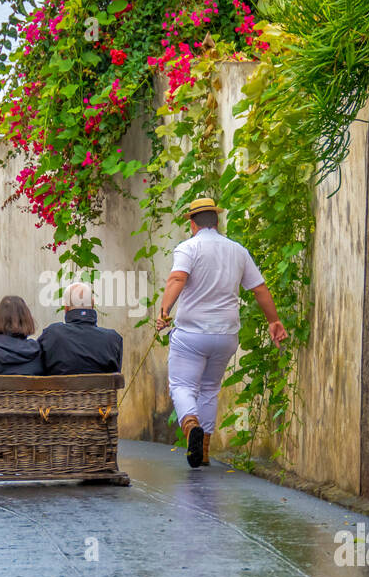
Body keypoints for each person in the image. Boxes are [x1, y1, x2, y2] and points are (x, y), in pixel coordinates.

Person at [155, 197, 288, 469]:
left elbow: (178, 278)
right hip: (226, 336)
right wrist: (274, 321)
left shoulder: (188, 248)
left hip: (192, 333)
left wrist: (164, 311)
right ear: (217, 221)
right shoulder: (237, 250)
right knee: (209, 390)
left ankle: (191, 426)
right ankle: (203, 452)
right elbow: (259, 289)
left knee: (182, 386)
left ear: (192, 224)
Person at [38, 281, 122, 375]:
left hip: (61, 385)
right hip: (102, 386)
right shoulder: (113, 339)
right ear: (92, 304)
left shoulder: (51, 334)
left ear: (66, 308)